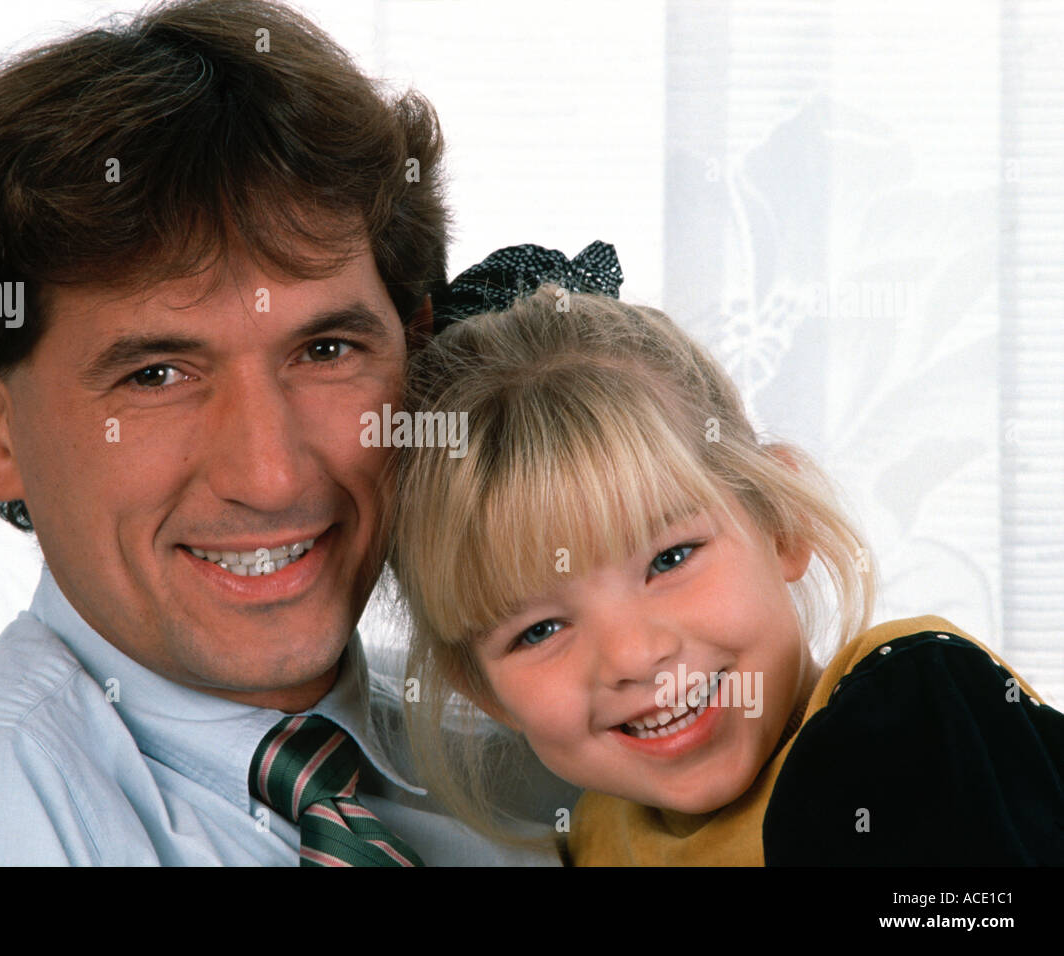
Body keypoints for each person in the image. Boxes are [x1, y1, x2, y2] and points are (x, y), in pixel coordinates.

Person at [0, 1, 575, 866]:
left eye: (326, 350)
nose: (269, 476)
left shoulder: (552, 766)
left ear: (416, 357)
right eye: (155, 375)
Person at [389, 245, 1064, 865]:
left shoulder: (911, 718)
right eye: (540, 629)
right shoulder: (596, 835)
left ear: (781, 521)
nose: (633, 656)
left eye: (670, 559)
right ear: (480, 688)